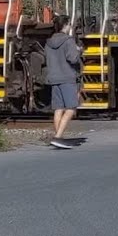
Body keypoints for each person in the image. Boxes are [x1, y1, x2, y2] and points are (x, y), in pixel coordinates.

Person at [44, 16, 81, 149]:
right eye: (69, 24)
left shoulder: (48, 42)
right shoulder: (68, 41)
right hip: (67, 77)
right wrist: (78, 51)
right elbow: (73, 59)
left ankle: (58, 137)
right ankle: (58, 137)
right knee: (71, 108)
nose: (70, 27)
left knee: (58, 108)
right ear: (65, 25)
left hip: (54, 78)